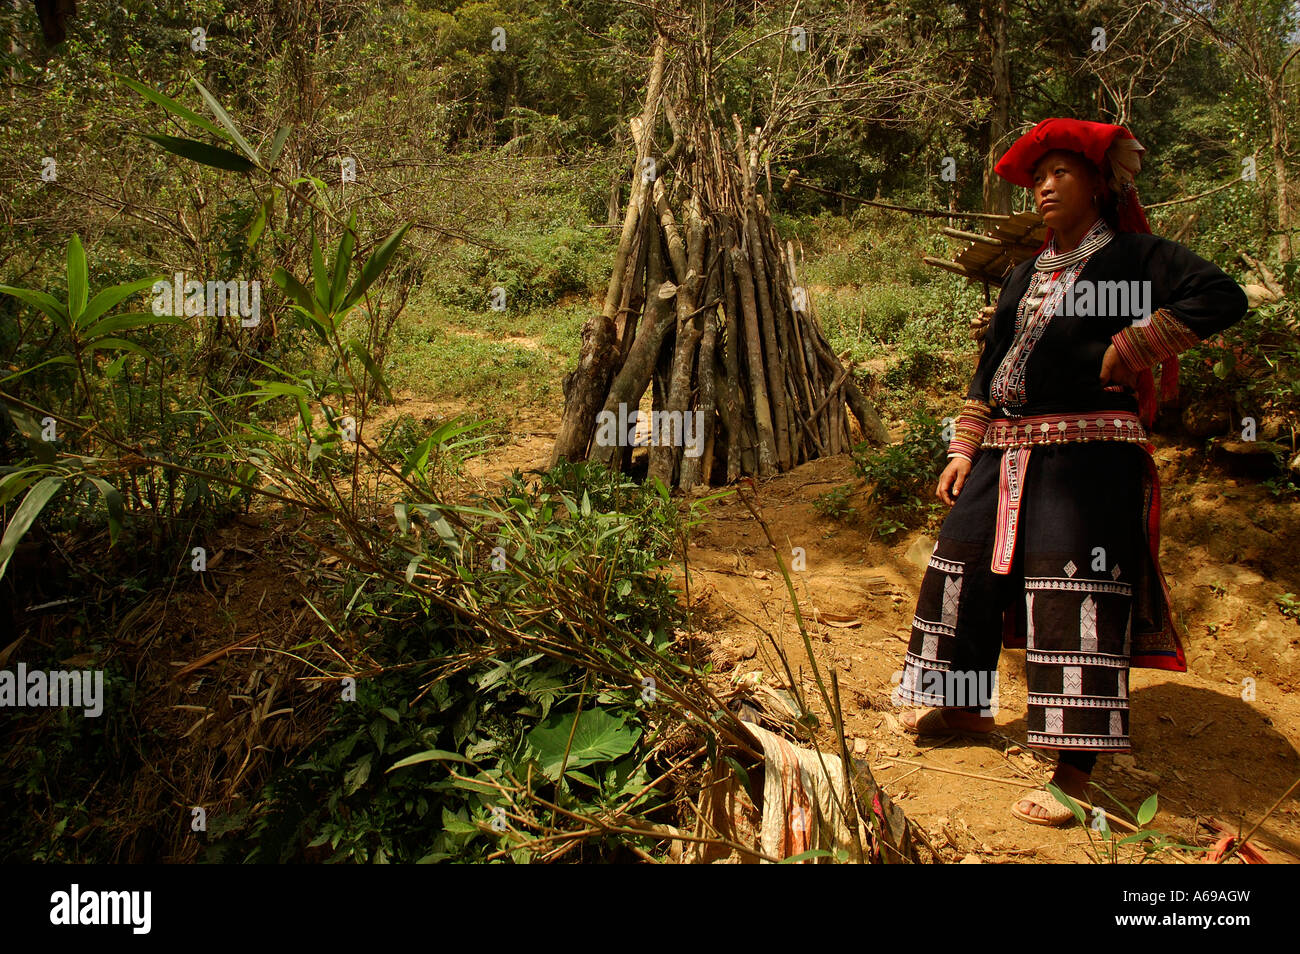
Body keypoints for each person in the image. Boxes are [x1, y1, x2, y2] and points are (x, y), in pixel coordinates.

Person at [893, 118, 1249, 825]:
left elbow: (1223, 296)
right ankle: (964, 709)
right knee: (962, 563)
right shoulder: (1024, 272)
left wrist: (1140, 341)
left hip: (1089, 455)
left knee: (1071, 592)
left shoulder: (1134, 258)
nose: (1045, 186)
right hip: (1005, 446)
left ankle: (1073, 774)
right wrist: (964, 448)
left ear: (1099, 183)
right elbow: (989, 367)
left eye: (1061, 172)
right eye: (1038, 176)